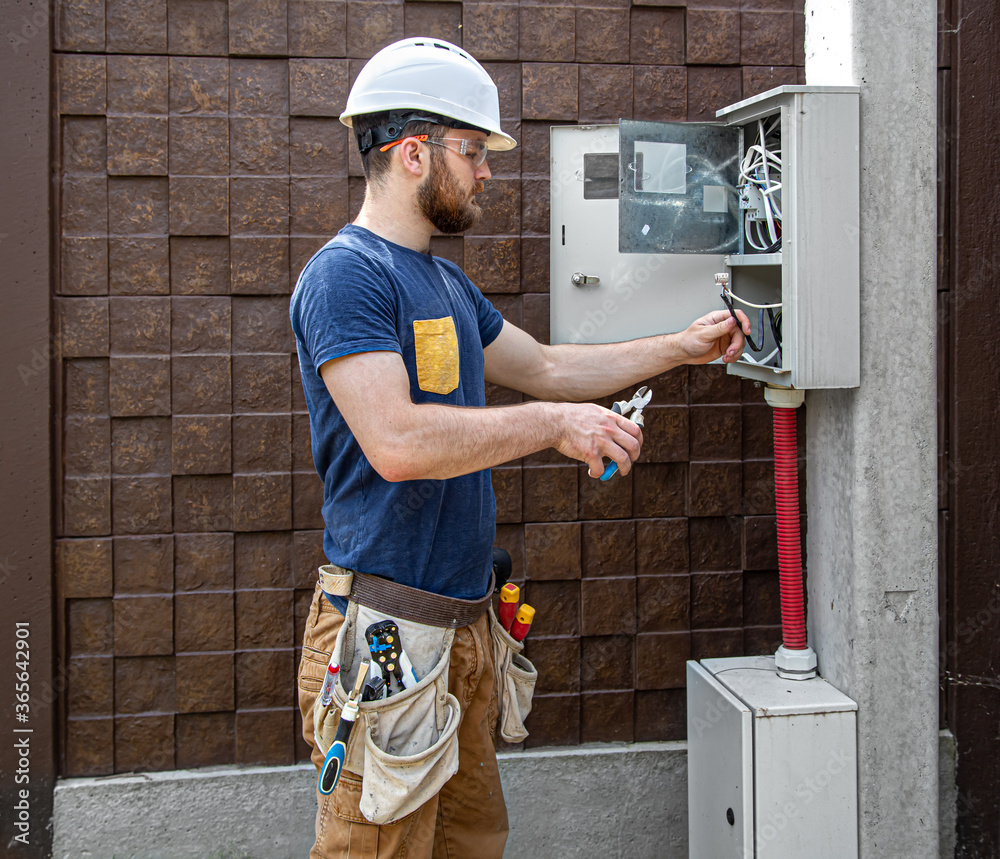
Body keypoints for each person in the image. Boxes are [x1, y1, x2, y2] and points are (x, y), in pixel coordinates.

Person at [290, 37, 749, 859]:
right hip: (387, 635)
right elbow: (395, 440)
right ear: (413, 151)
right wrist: (550, 425)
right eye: (473, 152)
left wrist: (680, 346)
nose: (487, 173)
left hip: (463, 630)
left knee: (471, 845)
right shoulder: (346, 276)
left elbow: (542, 366)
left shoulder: (444, 281)